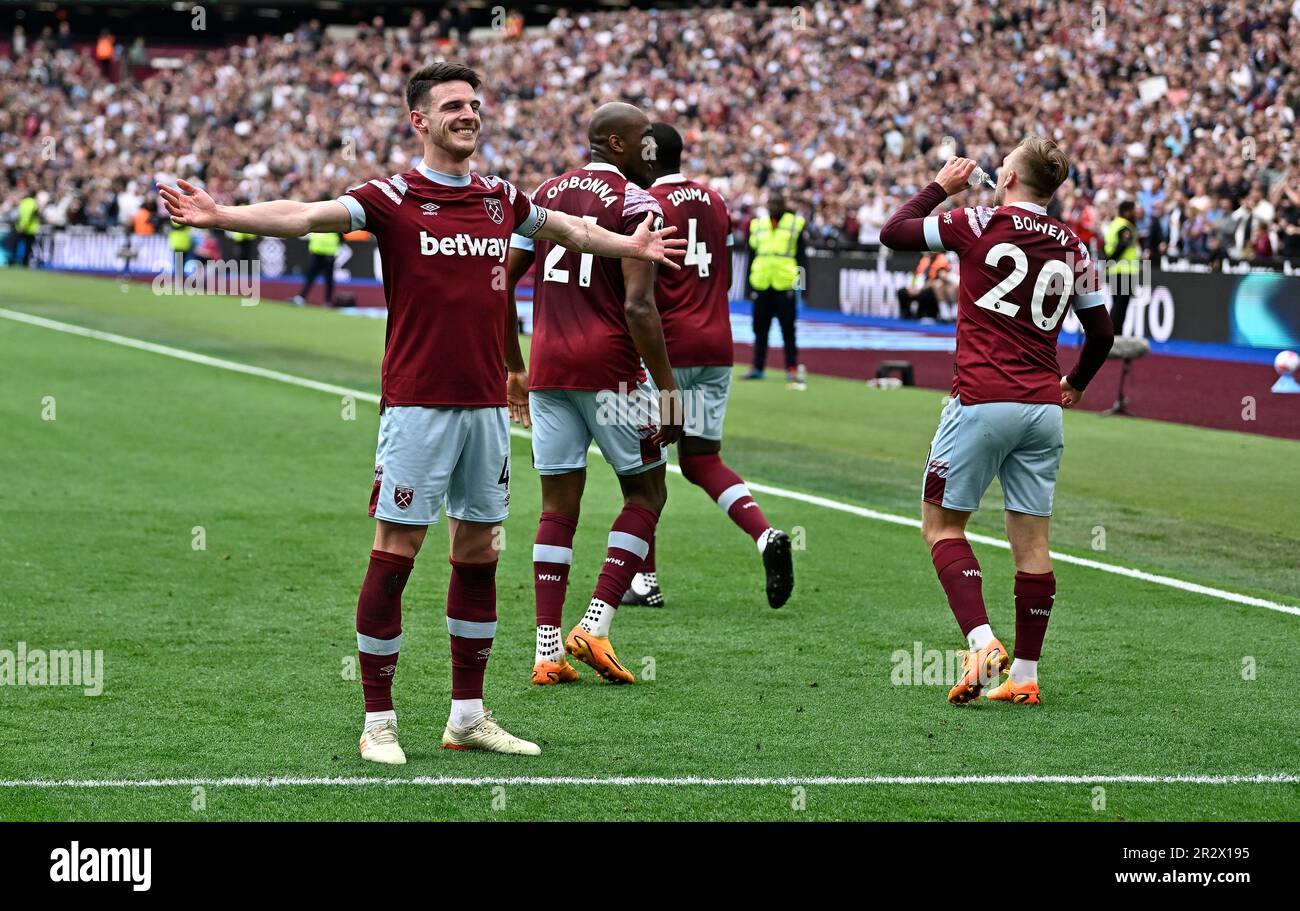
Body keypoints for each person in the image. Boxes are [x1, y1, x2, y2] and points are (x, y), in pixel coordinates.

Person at [159, 62, 685, 761]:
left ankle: (467, 715)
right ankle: (378, 720)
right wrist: (221, 214)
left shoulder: (500, 198)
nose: (469, 114)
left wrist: (632, 244)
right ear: (419, 121)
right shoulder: (393, 196)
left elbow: (569, 230)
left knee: (478, 555)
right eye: (452, 107)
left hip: (487, 410)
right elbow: (306, 215)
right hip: (417, 408)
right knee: (395, 554)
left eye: (474, 103)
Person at [879, 137, 1114, 707]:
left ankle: (982, 643)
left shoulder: (976, 221)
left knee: (942, 527)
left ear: (1008, 177)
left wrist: (940, 187)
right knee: (1032, 545)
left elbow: (893, 233)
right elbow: (1102, 334)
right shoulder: (1076, 247)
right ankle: (1026, 677)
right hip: (1042, 410)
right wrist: (1076, 384)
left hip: (981, 402)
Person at [506, 102, 684, 687]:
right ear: (614, 143)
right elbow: (638, 305)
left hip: (550, 369)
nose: (651, 153)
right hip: (609, 369)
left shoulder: (544, 193)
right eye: (643, 144)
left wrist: (514, 365)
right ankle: (596, 622)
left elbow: (500, 282)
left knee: (557, 507)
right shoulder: (639, 204)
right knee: (647, 492)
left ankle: (546, 650)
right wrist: (668, 388)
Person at [620, 121, 794, 611]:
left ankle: (644, 582)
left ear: (648, 155)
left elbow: (637, 289)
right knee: (700, 460)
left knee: (642, 467)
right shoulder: (715, 201)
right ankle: (765, 535)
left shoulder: (643, 202)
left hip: (664, 350)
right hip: (716, 342)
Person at [745, 191, 805, 381]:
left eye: (777, 202)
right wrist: (749, 286)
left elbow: (802, 257)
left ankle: (791, 367)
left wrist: (803, 286)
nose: (774, 205)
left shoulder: (795, 223)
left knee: (788, 328)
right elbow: (751, 256)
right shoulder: (758, 224)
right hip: (761, 282)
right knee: (759, 328)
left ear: (784, 203)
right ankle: (757, 367)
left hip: (785, 284)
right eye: (771, 202)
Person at [1102, 200, 1140, 335]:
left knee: (1117, 305)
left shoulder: (1113, 224)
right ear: (1127, 211)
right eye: (1133, 210)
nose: (1135, 213)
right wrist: (1109, 261)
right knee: (1120, 307)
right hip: (1124, 272)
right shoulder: (1125, 227)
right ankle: (1113, 336)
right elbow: (1121, 247)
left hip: (1115, 271)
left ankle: (1113, 335)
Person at [293, 226, 342, 306]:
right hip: (316, 253)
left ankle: (328, 301)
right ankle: (301, 298)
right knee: (310, 277)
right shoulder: (317, 221)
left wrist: (336, 252)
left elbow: (341, 238)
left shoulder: (335, 223)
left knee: (328, 279)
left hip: (329, 254)